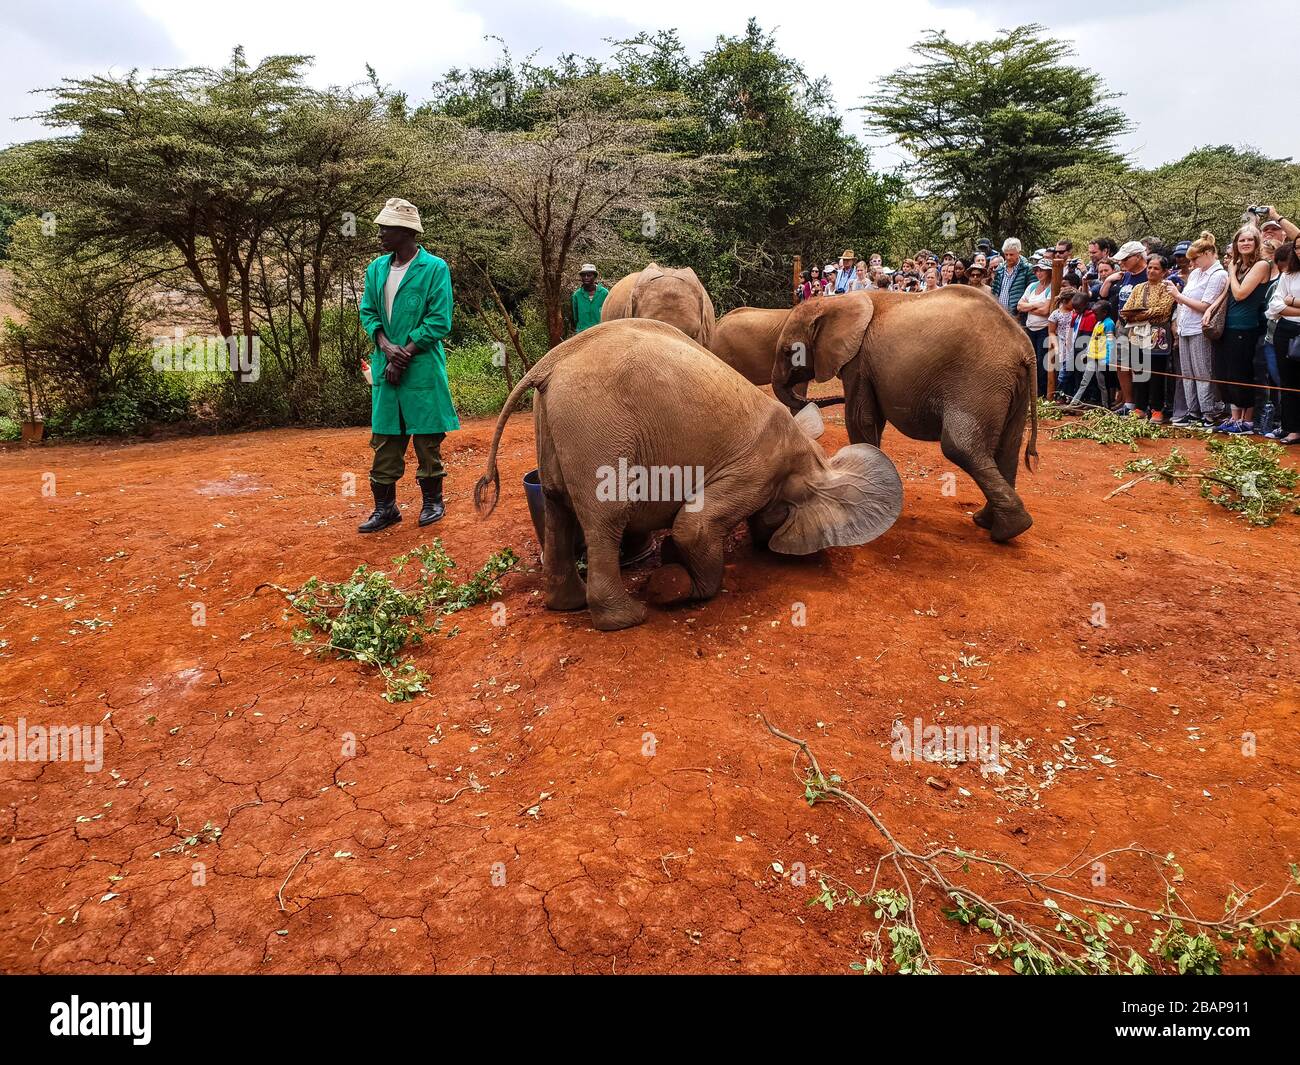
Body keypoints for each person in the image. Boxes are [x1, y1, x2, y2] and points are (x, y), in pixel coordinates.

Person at [356, 198, 458, 533]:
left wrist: (406, 353)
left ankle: (433, 501)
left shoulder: (434, 268)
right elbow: (368, 312)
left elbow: (439, 320)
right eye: (381, 227)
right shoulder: (376, 269)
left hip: (422, 364)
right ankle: (385, 509)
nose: (381, 233)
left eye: (387, 228)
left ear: (406, 231)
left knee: (427, 439)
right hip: (386, 363)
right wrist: (386, 347)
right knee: (385, 438)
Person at [1165, 230, 1228, 428]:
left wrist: (1177, 295)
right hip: (1185, 327)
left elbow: (1204, 305)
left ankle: (1208, 412)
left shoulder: (1218, 275)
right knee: (1187, 372)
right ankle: (1192, 412)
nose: (1193, 262)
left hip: (1201, 328)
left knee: (1203, 372)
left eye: (1196, 258)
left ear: (1209, 253)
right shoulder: (1195, 275)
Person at [1213, 224, 1271, 433]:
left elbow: (1240, 294)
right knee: (1225, 373)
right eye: (1241, 240)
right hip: (1226, 326)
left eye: (1249, 240)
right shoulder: (1238, 266)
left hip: (1245, 327)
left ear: (1256, 243)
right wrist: (1211, 310)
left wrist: (1231, 270)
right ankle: (1233, 416)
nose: (1245, 243)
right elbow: (1227, 293)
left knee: (1241, 373)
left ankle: (1246, 420)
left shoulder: (1262, 265)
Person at [1121, 252, 1177, 422]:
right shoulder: (1139, 288)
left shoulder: (1168, 287)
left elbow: (1163, 311)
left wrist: (1138, 315)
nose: (1152, 271)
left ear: (1164, 271)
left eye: (1156, 268)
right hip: (1137, 334)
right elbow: (1126, 310)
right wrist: (1139, 315)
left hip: (1157, 334)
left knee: (1156, 372)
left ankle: (1157, 409)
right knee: (1139, 370)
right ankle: (1139, 407)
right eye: (1150, 267)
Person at [1103, 240, 1149, 413]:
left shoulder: (1148, 273)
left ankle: (1141, 405)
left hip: (1140, 325)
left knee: (1139, 365)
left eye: (1125, 259)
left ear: (1137, 257)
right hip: (1121, 323)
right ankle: (1128, 403)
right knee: (1121, 364)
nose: (1121, 263)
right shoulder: (1125, 275)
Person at [1264, 240, 1300, 444]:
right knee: (1288, 382)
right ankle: (1292, 429)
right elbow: (1274, 306)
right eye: (1297, 248)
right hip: (1286, 331)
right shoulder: (1287, 275)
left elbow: (1284, 302)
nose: (1299, 251)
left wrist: (1291, 301)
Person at [1018, 257, 1054, 395]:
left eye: (1042, 270)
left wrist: (1029, 307)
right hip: (1030, 328)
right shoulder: (1032, 286)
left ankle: (1041, 391)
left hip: (1043, 329)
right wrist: (1036, 305)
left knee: (1041, 361)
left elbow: (1046, 311)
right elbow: (1019, 306)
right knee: (1028, 360)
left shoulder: (1052, 287)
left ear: (1049, 271)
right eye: (1037, 270)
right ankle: (1030, 390)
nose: (1039, 273)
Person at [992, 238, 1034, 319]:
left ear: (1019, 253)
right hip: (999, 314)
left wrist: (1020, 312)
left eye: (1011, 254)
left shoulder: (1027, 269)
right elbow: (994, 291)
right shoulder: (1000, 269)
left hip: (1018, 316)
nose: (1008, 257)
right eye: (1006, 254)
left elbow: (1032, 294)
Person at [570, 264, 608, 334]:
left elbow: (608, 314)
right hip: (582, 333)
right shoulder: (577, 295)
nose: (586, 278)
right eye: (583, 275)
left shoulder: (604, 293)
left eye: (589, 275)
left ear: (595, 276)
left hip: (600, 332)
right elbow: (575, 318)